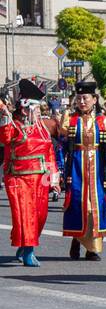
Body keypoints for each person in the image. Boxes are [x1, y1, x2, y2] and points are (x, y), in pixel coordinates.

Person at [58, 79, 106, 261]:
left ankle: (92, 249)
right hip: (77, 165)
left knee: (97, 206)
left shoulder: (104, 118)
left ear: (94, 99)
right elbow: (61, 142)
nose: (82, 102)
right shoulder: (70, 118)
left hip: (99, 166)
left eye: (85, 98)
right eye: (79, 98)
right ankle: (77, 239)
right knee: (78, 203)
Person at [0, 81, 59, 266]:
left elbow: (50, 153)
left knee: (40, 217)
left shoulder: (42, 128)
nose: (39, 112)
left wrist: (54, 180)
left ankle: (25, 245)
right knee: (25, 216)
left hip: (40, 178)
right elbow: (5, 138)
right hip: (19, 178)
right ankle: (29, 251)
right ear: (25, 109)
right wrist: (4, 119)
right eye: (36, 108)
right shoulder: (14, 126)